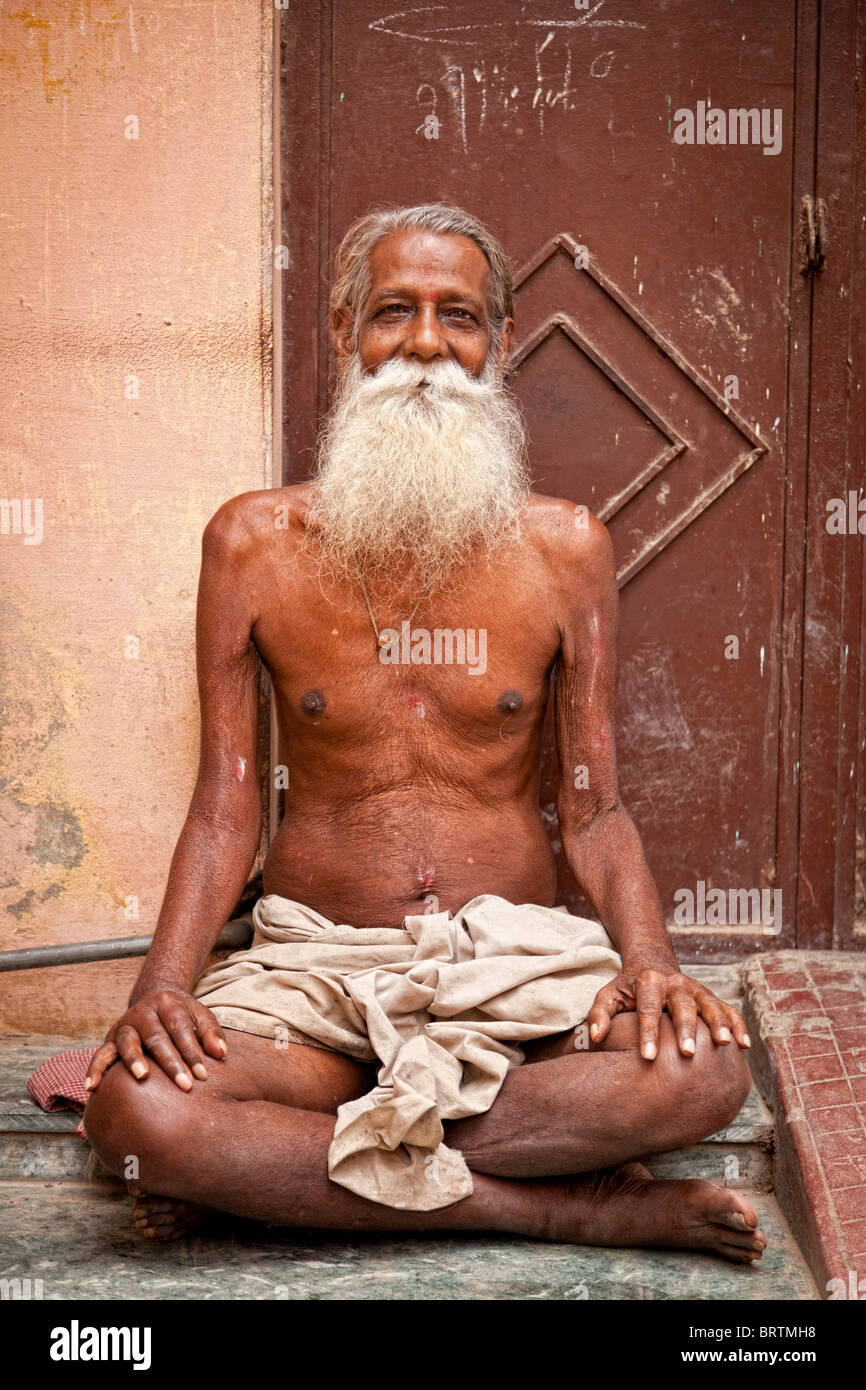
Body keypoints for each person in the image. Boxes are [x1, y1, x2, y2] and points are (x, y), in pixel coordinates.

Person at [84, 203, 764, 1264]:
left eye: (458, 316)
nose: (424, 343)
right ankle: (561, 1207)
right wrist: (162, 987)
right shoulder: (252, 542)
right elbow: (224, 807)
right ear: (345, 332)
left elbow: (595, 808)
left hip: (512, 978)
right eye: (393, 311)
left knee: (702, 1066)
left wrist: (651, 961)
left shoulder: (563, 548)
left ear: (496, 344)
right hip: (312, 979)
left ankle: (281, 1176)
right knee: (134, 1114)